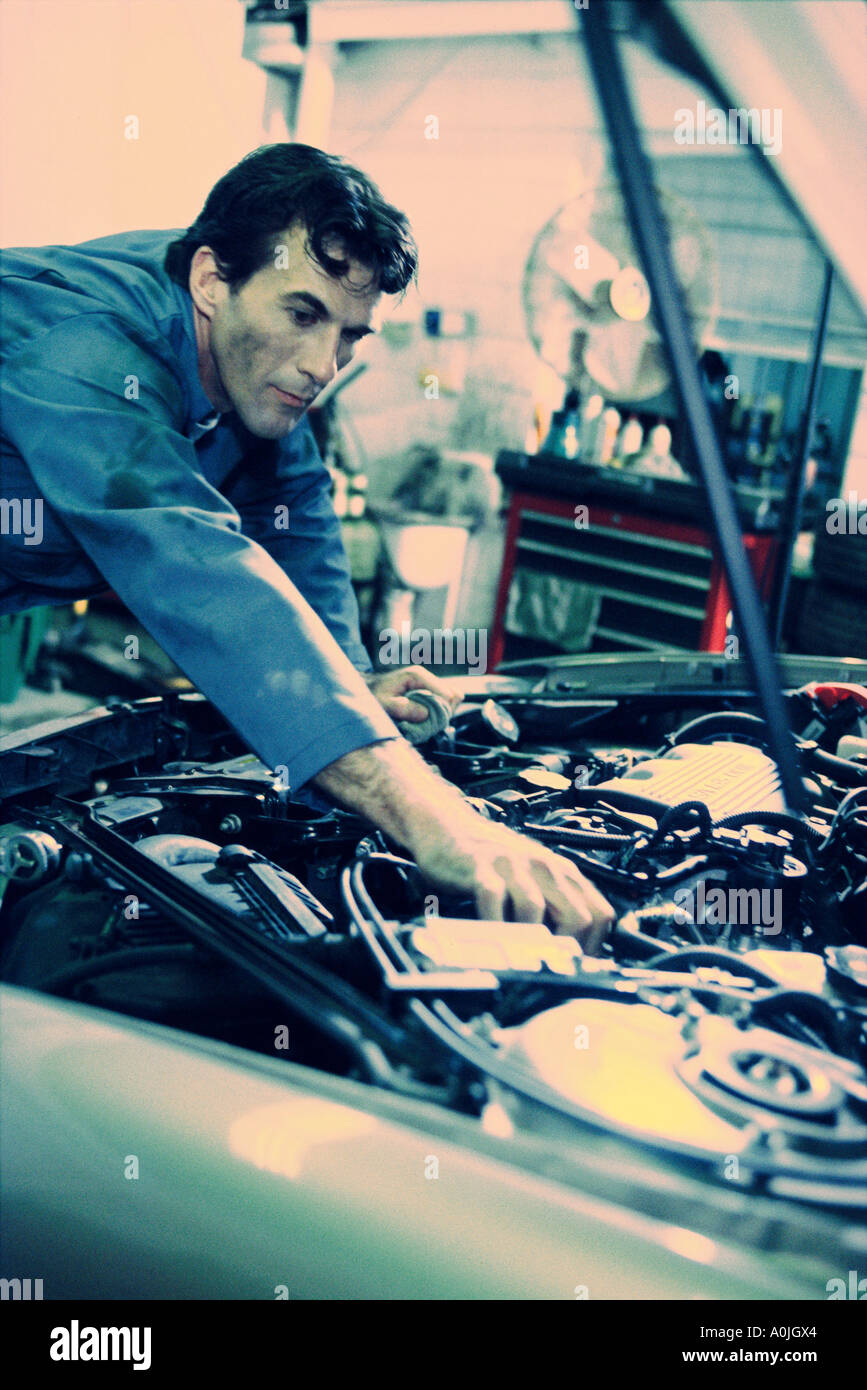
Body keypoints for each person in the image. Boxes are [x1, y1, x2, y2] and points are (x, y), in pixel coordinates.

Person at [0, 143, 613, 946]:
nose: (324, 365)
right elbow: (202, 575)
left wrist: (356, 690)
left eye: (351, 334)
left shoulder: (250, 362)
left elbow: (295, 517)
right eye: (303, 314)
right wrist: (434, 819)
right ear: (212, 282)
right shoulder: (88, 352)